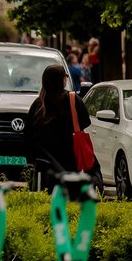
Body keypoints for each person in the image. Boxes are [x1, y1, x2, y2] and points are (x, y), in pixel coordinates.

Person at [24, 63, 94, 191]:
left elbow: (28, 133)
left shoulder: (39, 104)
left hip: (45, 164)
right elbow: (85, 122)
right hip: (70, 160)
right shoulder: (73, 100)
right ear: (62, 80)